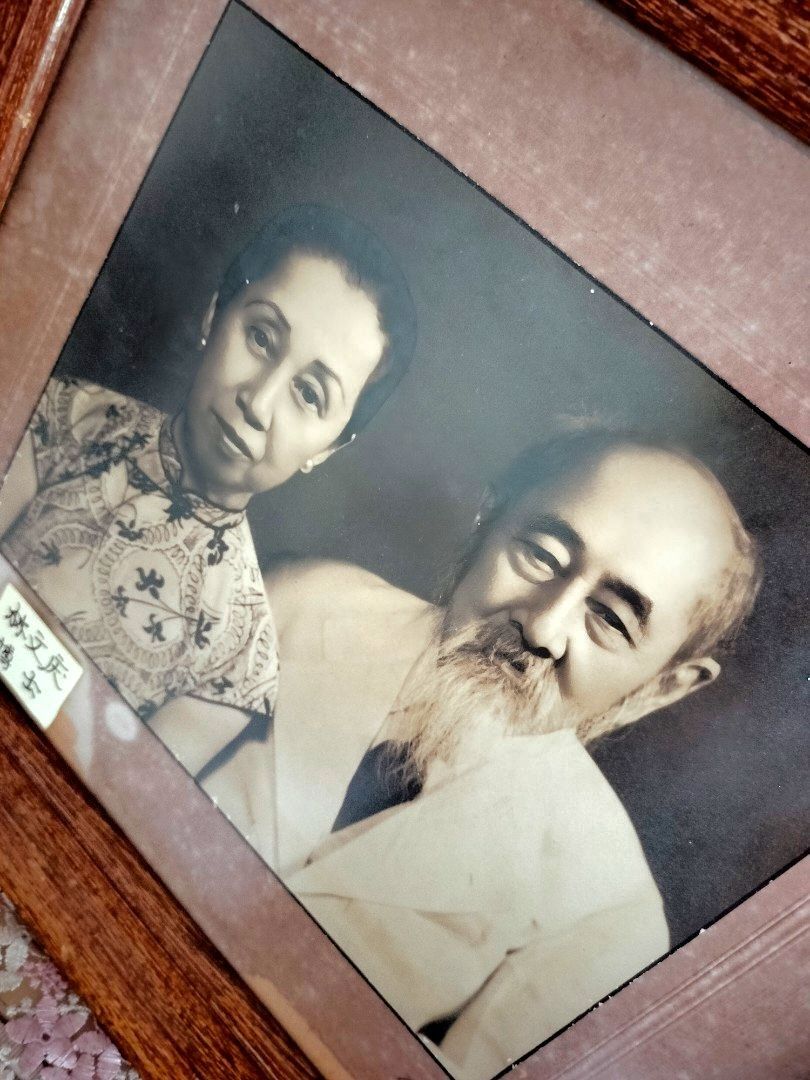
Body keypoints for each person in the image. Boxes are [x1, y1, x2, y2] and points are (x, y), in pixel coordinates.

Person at [187, 429, 760, 1080]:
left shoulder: (608, 920)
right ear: (488, 517)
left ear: (662, 687)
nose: (543, 628)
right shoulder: (297, 602)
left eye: (612, 619)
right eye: (542, 556)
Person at [0, 204, 416, 751]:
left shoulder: (239, 662)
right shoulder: (64, 415)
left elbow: (101, 796)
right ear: (214, 315)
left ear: (330, 447)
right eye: (262, 338)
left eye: (310, 394)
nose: (258, 401)